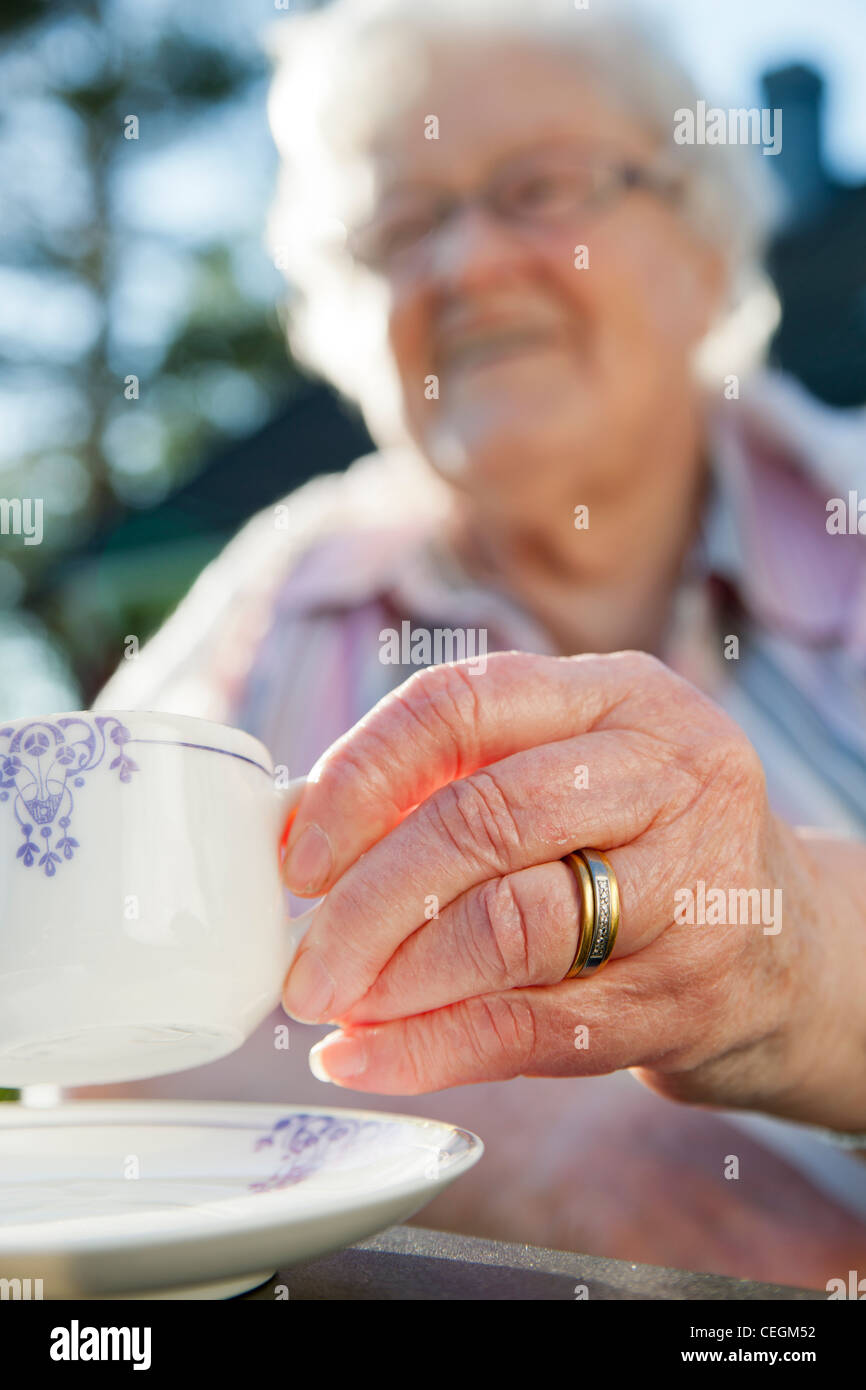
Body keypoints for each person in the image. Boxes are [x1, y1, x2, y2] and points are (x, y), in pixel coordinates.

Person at [81, 0, 866, 1286]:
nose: (462, 265)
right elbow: (84, 1016)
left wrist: (794, 954)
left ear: (702, 245)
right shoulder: (285, 594)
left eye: (538, 186)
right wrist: (552, 1149)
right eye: (401, 228)